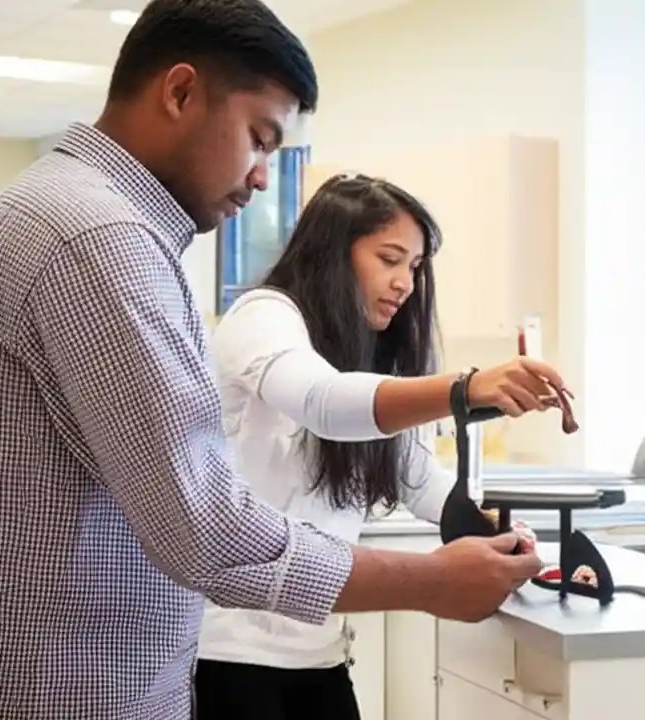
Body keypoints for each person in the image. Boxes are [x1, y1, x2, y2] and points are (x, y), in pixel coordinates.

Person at [0, 2, 556, 717]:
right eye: (259, 140)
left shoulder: (71, 216)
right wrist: (427, 580)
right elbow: (206, 525)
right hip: (68, 690)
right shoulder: (99, 238)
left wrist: (482, 534)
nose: (265, 177)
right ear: (179, 92)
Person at [194, 173, 549, 718]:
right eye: (389, 259)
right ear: (333, 253)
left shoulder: (368, 356)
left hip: (318, 654)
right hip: (227, 656)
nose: (405, 283)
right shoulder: (263, 317)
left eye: (413, 267)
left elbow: (417, 478)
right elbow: (323, 402)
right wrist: (465, 387)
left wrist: (493, 524)